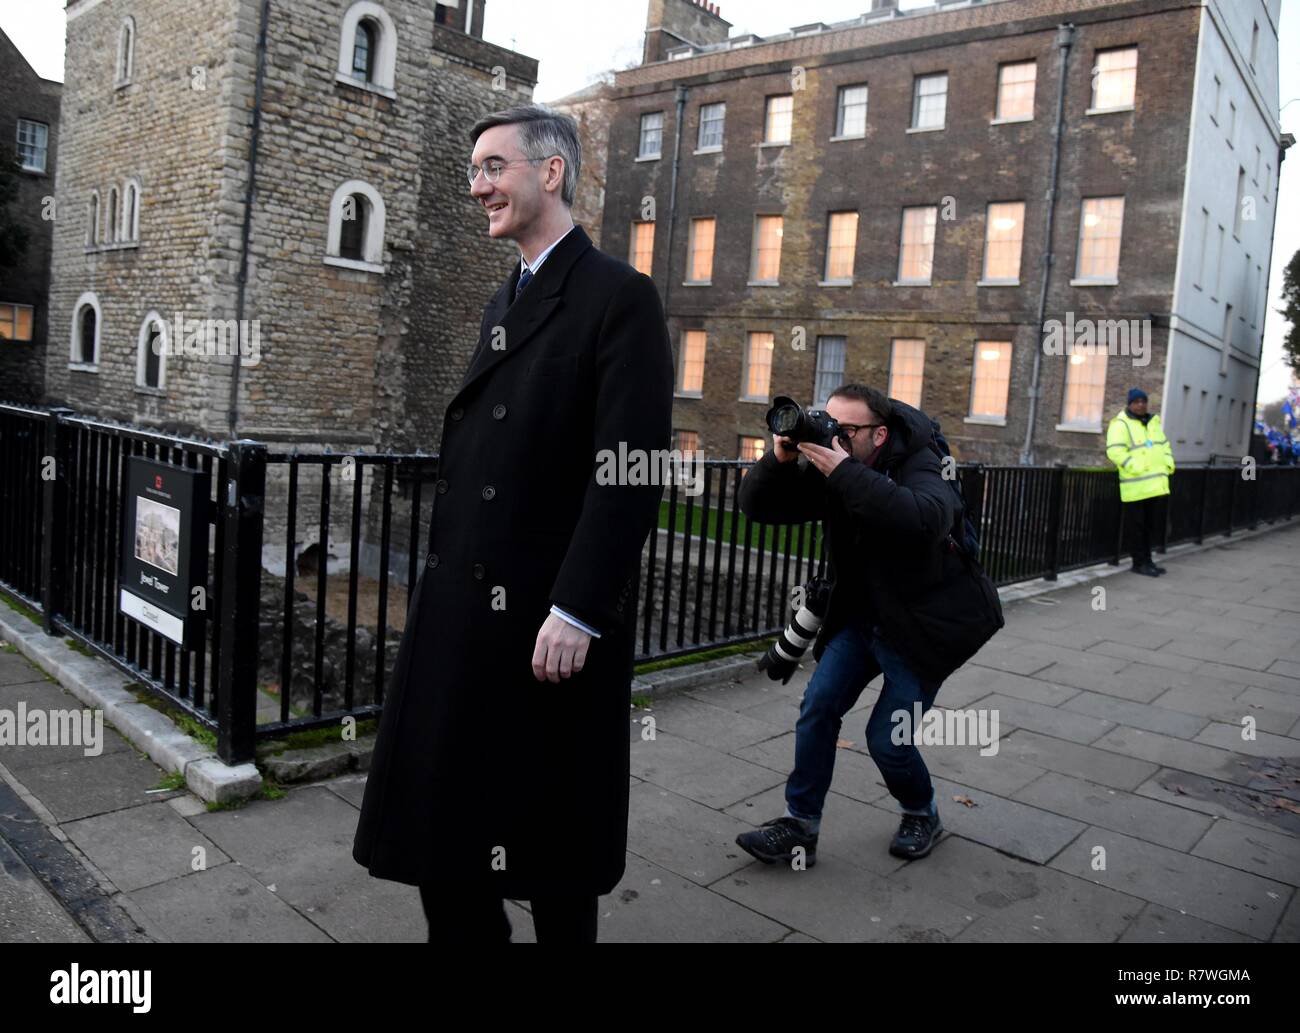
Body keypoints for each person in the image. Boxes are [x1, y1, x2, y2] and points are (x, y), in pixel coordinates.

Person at [352, 104, 673, 943]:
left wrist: (577, 608)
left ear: (551, 172)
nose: (478, 186)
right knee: (442, 832)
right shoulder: (507, 293)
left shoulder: (618, 297)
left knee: (555, 845)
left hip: (544, 622)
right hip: (463, 612)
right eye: (474, 171)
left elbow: (630, 473)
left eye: (493, 167)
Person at [734, 385, 968, 866]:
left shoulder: (922, 462)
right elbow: (759, 508)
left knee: (887, 739)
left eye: (848, 429)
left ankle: (921, 811)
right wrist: (778, 460)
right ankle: (800, 825)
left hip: (920, 628)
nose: (834, 435)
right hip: (862, 618)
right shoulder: (836, 468)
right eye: (828, 423)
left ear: (879, 434)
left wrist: (845, 470)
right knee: (817, 708)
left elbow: (924, 520)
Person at [1106, 388, 1174, 577]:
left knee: (1149, 528)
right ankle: (1138, 563)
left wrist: (1168, 464)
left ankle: (1148, 561)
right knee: (1137, 528)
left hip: (1155, 485)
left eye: (1143, 401)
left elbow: (1164, 446)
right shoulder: (1121, 424)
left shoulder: (1153, 423)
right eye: (1136, 401)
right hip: (1136, 485)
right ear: (1130, 404)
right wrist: (1135, 467)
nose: (1140, 405)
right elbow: (1115, 451)